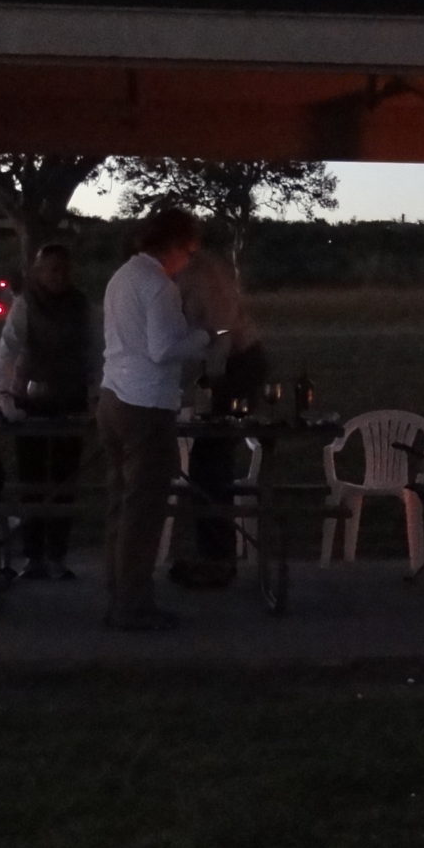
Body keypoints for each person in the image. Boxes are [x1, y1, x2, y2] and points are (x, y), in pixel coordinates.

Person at [98, 209, 213, 630]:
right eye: (188, 249)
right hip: (145, 406)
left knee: (120, 504)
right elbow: (163, 349)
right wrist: (201, 338)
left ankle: (117, 593)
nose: (189, 258)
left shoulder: (121, 278)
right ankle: (135, 606)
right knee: (143, 511)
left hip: (112, 398)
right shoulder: (158, 286)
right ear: (174, 245)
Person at [0, 243, 96, 579]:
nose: (58, 276)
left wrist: (98, 391)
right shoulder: (25, 306)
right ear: (38, 272)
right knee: (32, 477)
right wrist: (4, 392)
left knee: (64, 478)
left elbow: (96, 350)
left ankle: (57, 555)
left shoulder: (82, 306)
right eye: (51, 269)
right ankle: (34, 555)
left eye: (63, 269)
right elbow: (8, 349)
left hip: (71, 397)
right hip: (32, 399)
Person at [172, 249, 270, 586]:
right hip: (222, 368)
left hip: (237, 366)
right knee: (206, 465)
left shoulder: (202, 274)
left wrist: (209, 385)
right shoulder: (180, 275)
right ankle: (212, 556)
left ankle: (217, 560)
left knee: (210, 463)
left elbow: (222, 333)